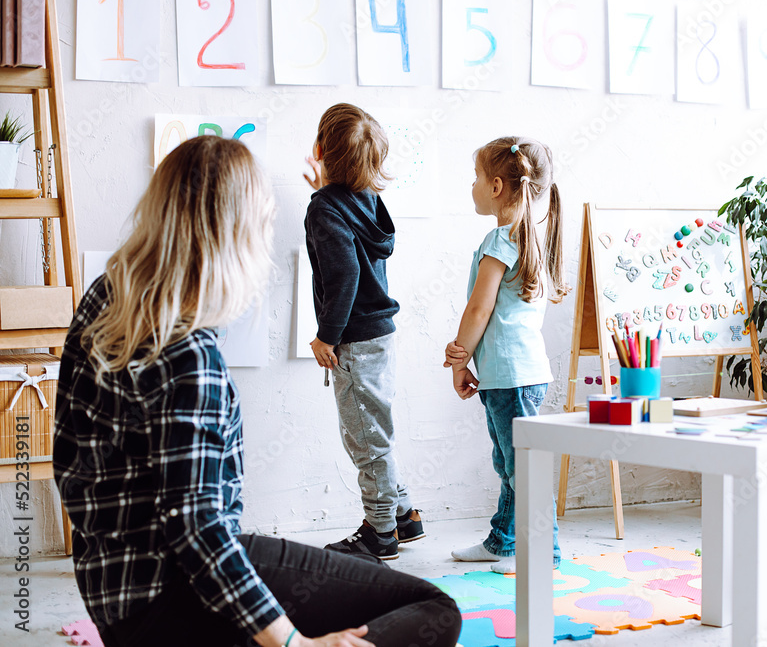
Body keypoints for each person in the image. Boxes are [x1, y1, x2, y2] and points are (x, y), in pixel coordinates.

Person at [54, 136, 461, 647]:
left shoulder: (109, 295)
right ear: (238, 234)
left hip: (113, 594)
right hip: (174, 597)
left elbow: (69, 462)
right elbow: (200, 533)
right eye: (265, 223)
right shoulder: (187, 355)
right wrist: (292, 642)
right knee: (435, 609)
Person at [302, 103, 421, 561]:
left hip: (351, 339)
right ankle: (405, 515)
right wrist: (326, 189)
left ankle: (380, 531)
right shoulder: (368, 201)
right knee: (377, 430)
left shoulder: (324, 209)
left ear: (319, 150)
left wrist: (326, 337)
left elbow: (345, 276)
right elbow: (346, 216)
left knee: (365, 437)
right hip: (381, 333)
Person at [443, 137, 568, 574]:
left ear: (497, 186)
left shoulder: (500, 238)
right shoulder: (529, 236)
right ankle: (504, 542)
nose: (472, 186)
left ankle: (543, 555)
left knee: (522, 469)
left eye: (476, 178)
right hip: (516, 372)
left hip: (511, 375)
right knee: (510, 464)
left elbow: (480, 308)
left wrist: (460, 359)